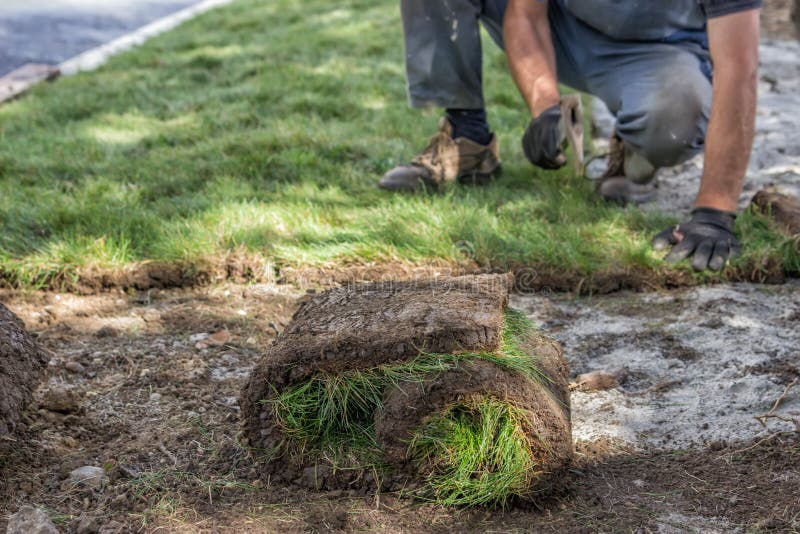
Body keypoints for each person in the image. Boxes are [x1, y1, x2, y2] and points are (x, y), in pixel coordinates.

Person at [379, 0, 761, 272]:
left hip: (659, 50)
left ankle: (634, 150)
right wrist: (545, 107)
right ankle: (467, 137)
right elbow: (527, 13)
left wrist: (714, 212)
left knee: (677, 119)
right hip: (565, 30)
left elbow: (739, 69)